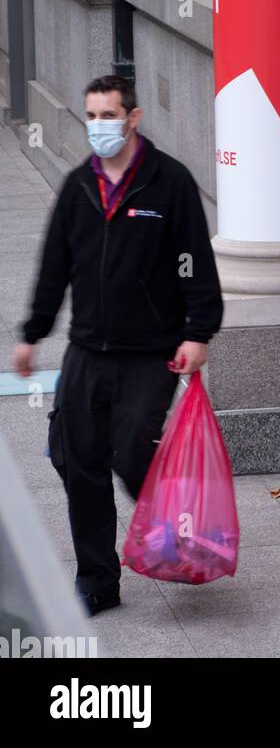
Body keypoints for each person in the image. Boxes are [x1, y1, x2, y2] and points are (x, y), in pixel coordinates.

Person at [11, 74, 223, 616]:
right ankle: (98, 581)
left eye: (109, 115)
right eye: (92, 116)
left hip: (150, 351)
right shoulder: (79, 186)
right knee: (77, 460)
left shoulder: (168, 182)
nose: (99, 126)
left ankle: (178, 529)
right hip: (86, 349)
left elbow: (195, 260)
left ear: (134, 117)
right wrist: (33, 332)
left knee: (132, 451)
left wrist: (199, 330)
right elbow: (55, 264)